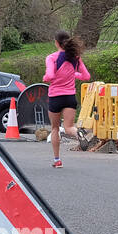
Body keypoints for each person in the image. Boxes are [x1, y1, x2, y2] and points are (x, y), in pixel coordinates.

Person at [43, 30, 91, 168]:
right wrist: (74, 74)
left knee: (55, 129)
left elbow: (50, 76)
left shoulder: (52, 57)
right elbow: (86, 76)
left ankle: (57, 160)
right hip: (70, 97)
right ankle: (79, 133)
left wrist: (45, 78)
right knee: (69, 127)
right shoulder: (75, 57)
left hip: (55, 97)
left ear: (56, 43)